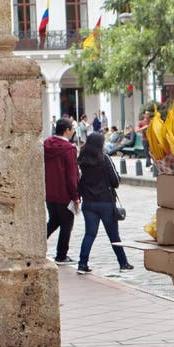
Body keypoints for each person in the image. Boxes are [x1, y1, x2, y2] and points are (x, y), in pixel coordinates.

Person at [76, 132, 133, 274]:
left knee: (89, 234)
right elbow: (115, 181)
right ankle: (123, 263)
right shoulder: (104, 159)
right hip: (105, 202)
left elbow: (79, 181)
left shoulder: (81, 160)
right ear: (100, 144)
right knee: (114, 235)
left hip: (88, 203)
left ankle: (82, 264)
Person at [43, 117, 80, 264]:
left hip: (50, 192)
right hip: (64, 194)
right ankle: (61, 255)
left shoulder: (46, 145)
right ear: (67, 130)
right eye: (72, 129)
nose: (72, 132)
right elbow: (71, 175)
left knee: (54, 221)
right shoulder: (69, 149)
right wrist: (76, 196)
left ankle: (36, 244)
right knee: (66, 224)